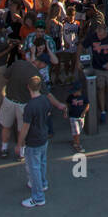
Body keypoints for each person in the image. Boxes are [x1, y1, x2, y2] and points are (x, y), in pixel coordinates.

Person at [18, 74, 66, 208]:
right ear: (40, 86)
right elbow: (48, 114)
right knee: (42, 163)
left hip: (33, 141)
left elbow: (25, 128)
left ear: (28, 87)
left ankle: (38, 197)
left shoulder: (29, 107)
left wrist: (19, 143)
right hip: (43, 137)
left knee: (34, 169)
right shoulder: (45, 100)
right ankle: (43, 183)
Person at [87, 22, 108, 123]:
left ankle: (103, 101)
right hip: (98, 67)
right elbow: (82, 45)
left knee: (107, 86)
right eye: (98, 34)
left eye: (101, 34)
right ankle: (102, 111)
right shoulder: (92, 37)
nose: (99, 36)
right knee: (101, 87)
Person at [65, 77, 88, 153]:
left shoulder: (83, 97)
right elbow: (66, 104)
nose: (73, 93)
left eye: (75, 92)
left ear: (79, 91)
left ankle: (75, 141)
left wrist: (84, 112)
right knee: (77, 131)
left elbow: (87, 104)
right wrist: (66, 112)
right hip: (73, 116)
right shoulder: (70, 97)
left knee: (79, 130)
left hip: (81, 117)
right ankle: (78, 145)